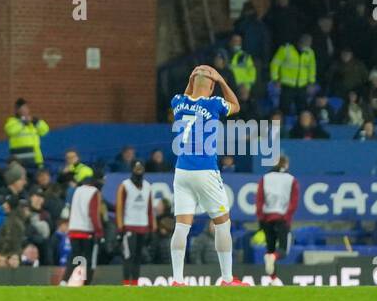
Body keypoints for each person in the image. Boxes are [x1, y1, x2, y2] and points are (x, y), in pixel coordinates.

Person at [168, 64, 247, 286]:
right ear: (211, 88)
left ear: (192, 84)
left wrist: (193, 79)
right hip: (204, 169)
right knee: (223, 224)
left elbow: (186, 96)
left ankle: (177, 280)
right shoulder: (213, 104)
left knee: (181, 226)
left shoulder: (178, 102)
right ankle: (227, 279)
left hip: (181, 170)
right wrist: (221, 80)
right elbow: (236, 106)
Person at [255, 155, 299, 276]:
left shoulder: (265, 178)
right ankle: (274, 258)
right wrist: (287, 216)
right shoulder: (291, 179)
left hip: (267, 218)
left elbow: (259, 199)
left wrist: (261, 218)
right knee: (283, 250)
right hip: (282, 218)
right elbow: (294, 202)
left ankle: (273, 279)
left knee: (270, 250)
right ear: (286, 164)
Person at [60, 174, 104, 285]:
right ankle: (86, 284)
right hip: (87, 231)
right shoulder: (94, 192)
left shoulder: (76, 191)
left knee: (74, 257)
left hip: (74, 229)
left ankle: (64, 281)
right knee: (88, 260)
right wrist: (99, 231)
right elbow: (93, 213)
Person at [116, 160, 153, 286]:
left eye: (140, 168)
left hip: (143, 226)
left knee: (138, 257)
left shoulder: (148, 186)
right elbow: (119, 207)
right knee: (128, 256)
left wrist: (152, 227)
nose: (139, 171)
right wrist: (120, 227)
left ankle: (135, 283)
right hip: (129, 225)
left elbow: (150, 208)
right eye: (136, 168)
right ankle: (126, 282)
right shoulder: (125, 185)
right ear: (132, 169)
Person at [4, 99, 50, 168]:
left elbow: (45, 130)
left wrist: (36, 122)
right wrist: (23, 122)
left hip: (36, 159)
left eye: (26, 108)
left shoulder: (32, 122)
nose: (25, 110)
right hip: (19, 160)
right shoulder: (12, 121)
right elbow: (10, 131)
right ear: (17, 110)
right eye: (22, 108)